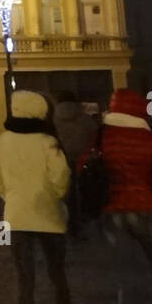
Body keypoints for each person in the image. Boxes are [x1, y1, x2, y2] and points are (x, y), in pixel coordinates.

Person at [78, 89, 152, 304]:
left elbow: (83, 167)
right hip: (146, 209)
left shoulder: (100, 137)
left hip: (112, 211)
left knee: (127, 275)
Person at [0, 91, 71, 304]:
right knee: (58, 276)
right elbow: (61, 178)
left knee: (25, 281)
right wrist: (53, 197)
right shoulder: (47, 142)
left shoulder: (3, 141)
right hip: (49, 216)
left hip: (16, 216)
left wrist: (11, 197)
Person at [52, 90, 96, 236]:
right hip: (83, 161)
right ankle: (80, 221)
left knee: (65, 191)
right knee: (82, 191)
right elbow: (94, 137)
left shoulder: (52, 120)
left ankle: (65, 221)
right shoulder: (85, 119)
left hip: (61, 159)